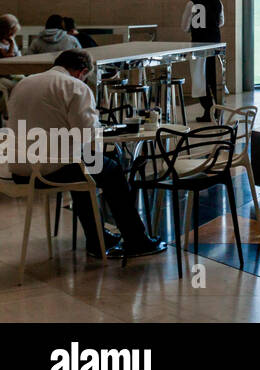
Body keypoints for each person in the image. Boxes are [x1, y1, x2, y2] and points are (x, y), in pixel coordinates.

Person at [6, 50, 166, 259]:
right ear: (82, 72)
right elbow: (88, 134)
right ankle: (136, 239)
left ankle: (97, 237)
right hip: (51, 170)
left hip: (19, 168)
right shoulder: (75, 86)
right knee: (111, 168)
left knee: (84, 167)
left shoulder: (24, 83)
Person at [181, 0, 224, 123]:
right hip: (215, 44)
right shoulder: (217, 1)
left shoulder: (191, 4)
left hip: (199, 44)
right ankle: (218, 109)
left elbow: (185, 27)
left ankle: (207, 109)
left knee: (200, 77)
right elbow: (221, 22)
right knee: (214, 77)